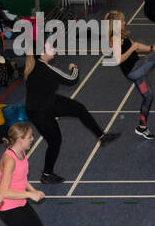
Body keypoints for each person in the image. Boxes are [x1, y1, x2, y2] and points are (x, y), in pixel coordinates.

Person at [25, 44, 119, 184]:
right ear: (42, 55)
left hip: (48, 102)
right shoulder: (46, 69)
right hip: (40, 112)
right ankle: (46, 175)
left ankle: (102, 136)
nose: (52, 49)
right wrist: (74, 67)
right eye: (48, 48)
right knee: (54, 141)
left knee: (79, 109)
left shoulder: (37, 66)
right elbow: (71, 80)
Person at [104, 9, 155, 140]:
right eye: (122, 21)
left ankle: (142, 127)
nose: (124, 22)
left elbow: (138, 46)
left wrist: (152, 48)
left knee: (148, 97)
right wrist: (132, 48)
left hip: (137, 68)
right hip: (135, 70)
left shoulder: (121, 34)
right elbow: (118, 59)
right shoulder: (114, 38)